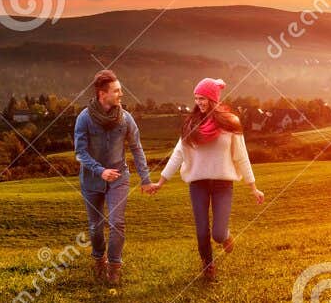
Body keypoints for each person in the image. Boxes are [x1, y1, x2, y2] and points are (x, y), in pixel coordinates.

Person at [144, 78, 264, 281]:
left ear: (213, 98)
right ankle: (208, 265)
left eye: (203, 98)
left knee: (217, 233)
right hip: (198, 184)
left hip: (222, 185)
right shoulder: (191, 124)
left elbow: (241, 156)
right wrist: (161, 182)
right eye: (196, 98)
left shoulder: (230, 124)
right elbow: (178, 154)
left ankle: (225, 237)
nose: (199, 102)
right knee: (201, 231)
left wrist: (253, 187)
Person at [74, 69, 153, 285]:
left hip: (119, 175)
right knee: (95, 226)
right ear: (102, 94)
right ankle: (99, 259)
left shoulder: (126, 119)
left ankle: (114, 268)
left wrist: (145, 179)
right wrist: (100, 170)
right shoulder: (84, 118)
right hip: (92, 179)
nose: (121, 94)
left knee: (117, 223)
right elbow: (80, 153)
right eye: (116, 91)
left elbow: (137, 148)